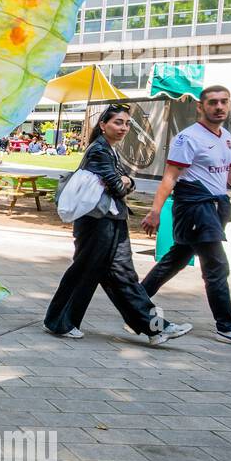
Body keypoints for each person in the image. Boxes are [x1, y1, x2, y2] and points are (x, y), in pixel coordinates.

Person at [45, 102, 193, 345]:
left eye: (126, 123)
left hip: (112, 220)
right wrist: (123, 181)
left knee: (123, 276)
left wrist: (126, 181)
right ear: (103, 125)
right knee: (84, 272)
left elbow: (126, 182)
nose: (124, 127)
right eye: (118, 122)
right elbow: (117, 186)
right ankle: (58, 322)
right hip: (95, 223)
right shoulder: (99, 151)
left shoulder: (110, 150)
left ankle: (156, 329)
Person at [140, 85, 231, 348]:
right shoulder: (188, 138)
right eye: (212, 102)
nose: (219, 107)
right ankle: (227, 327)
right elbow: (170, 177)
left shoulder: (226, 136)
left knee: (176, 259)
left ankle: (134, 305)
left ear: (230, 105)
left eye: (224, 101)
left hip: (214, 207)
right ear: (201, 107)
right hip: (194, 208)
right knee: (217, 266)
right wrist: (155, 211)